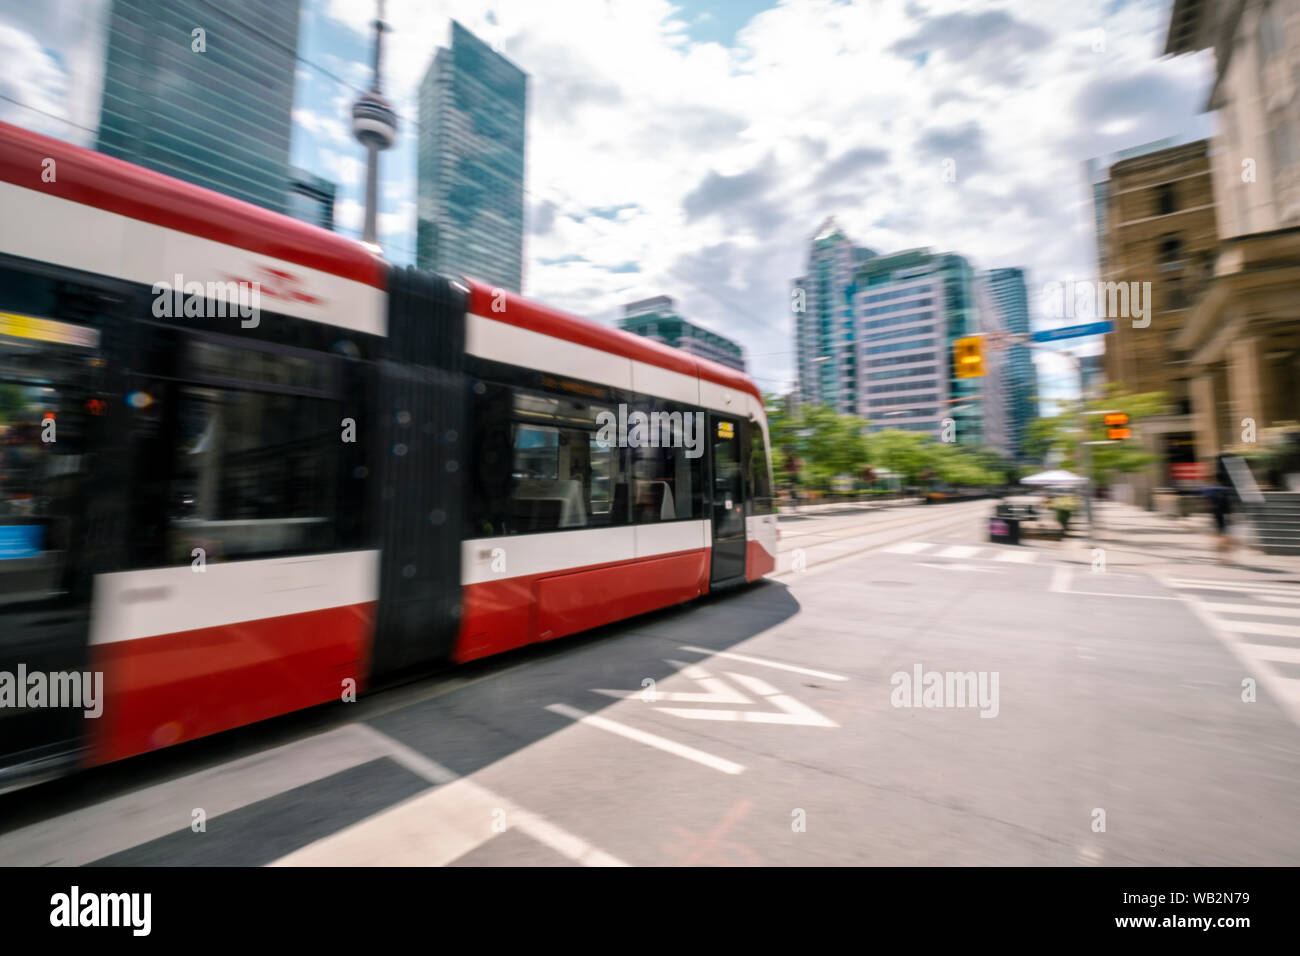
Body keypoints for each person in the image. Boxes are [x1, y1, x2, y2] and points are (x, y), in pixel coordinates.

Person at [1202, 484, 1234, 564]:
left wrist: (1210, 512)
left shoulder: (1212, 490)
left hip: (1217, 515)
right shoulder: (1225, 490)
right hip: (1225, 515)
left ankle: (1219, 557)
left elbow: (1208, 503)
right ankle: (1226, 557)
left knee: (1219, 536)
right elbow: (1229, 505)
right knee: (1225, 536)